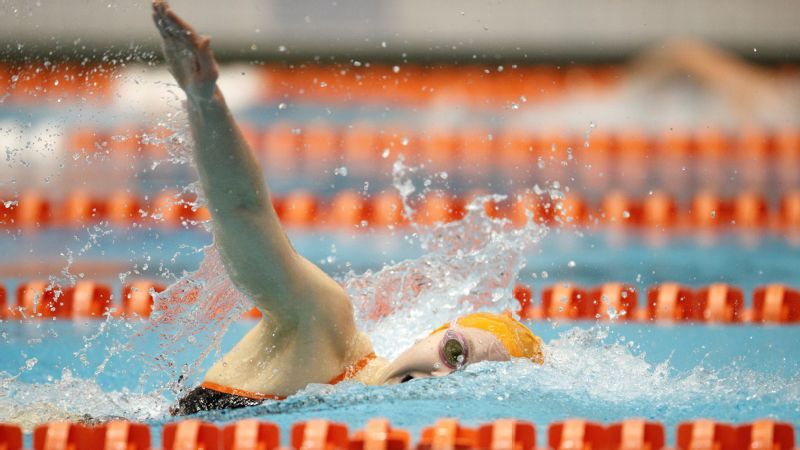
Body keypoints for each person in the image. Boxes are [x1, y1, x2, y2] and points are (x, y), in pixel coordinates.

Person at [151, 0, 543, 416]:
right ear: (434, 335)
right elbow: (242, 211)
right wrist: (205, 100)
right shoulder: (323, 329)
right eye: (454, 354)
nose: (440, 378)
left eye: (465, 387)